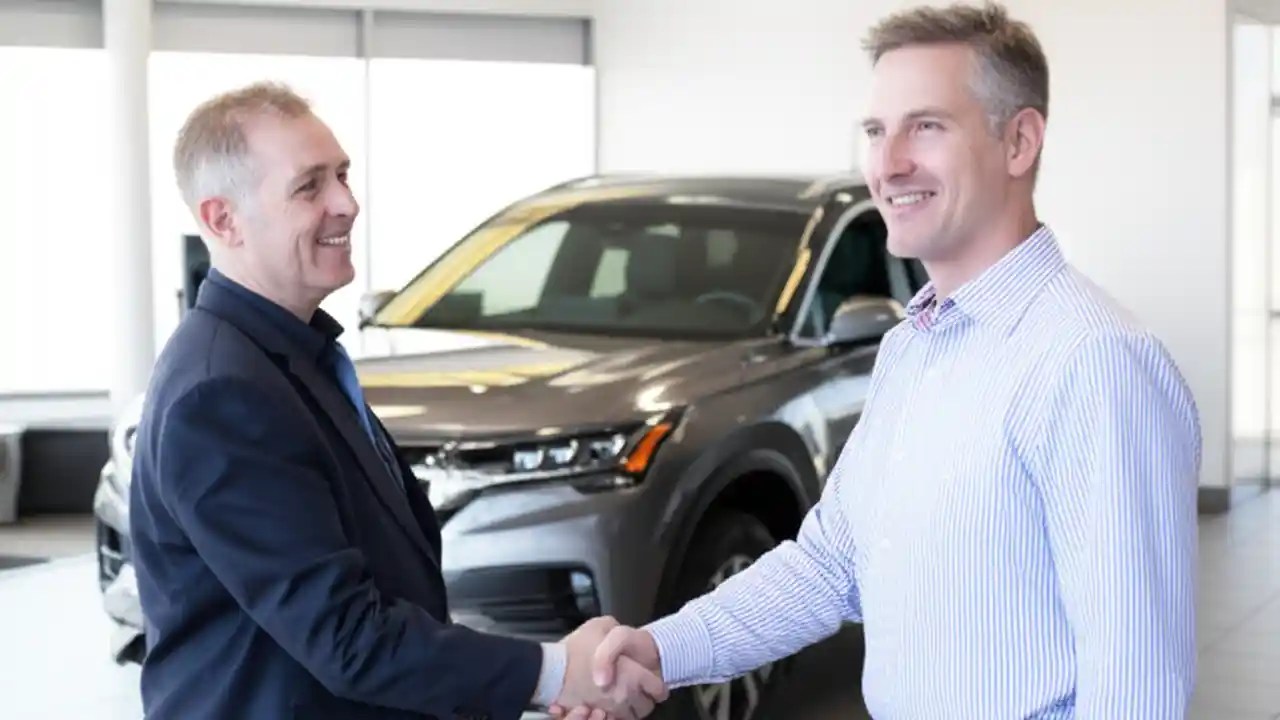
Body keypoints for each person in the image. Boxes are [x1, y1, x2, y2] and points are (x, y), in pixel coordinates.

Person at [554, 2, 1203, 718]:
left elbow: (1136, 687)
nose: (888, 165)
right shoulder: (913, 345)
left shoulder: (1093, 361)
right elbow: (831, 565)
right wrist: (658, 651)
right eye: (874, 131)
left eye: (926, 126)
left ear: (1019, 142)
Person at [128, 81, 666, 720]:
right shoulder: (223, 393)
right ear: (223, 220)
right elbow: (349, 637)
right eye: (309, 186)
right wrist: (554, 674)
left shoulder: (291, 352)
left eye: (343, 175)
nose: (347, 204)